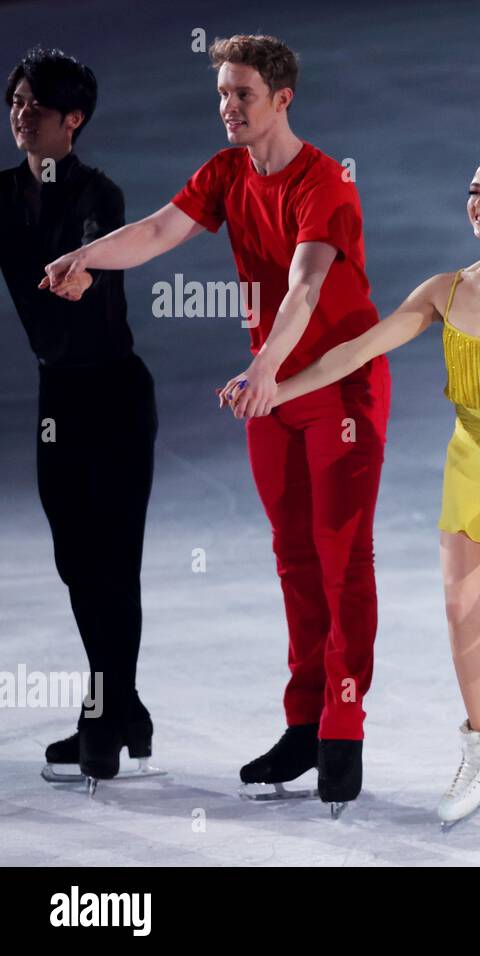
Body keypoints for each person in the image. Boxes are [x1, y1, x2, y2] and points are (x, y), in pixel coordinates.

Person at [43, 34, 390, 815]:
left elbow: (305, 286)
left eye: (243, 95)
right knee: (294, 558)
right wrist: (87, 255)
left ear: (282, 99)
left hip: (337, 388)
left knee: (343, 558)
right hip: (267, 390)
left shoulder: (324, 181)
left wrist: (267, 367)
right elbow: (163, 229)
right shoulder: (227, 172)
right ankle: (303, 724)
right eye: (223, 95)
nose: (229, 108)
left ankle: (344, 725)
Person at [261, 150, 480, 823]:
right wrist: (277, 387)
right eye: (474, 191)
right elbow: (358, 348)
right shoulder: (446, 288)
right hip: (472, 457)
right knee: (459, 612)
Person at [0, 47, 159, 787]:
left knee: (111, 566)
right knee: (76, 565)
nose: (20, 115)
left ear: (74, 120)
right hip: (57, 398)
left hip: (115, 397)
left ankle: (103, 720)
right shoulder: (1, 196)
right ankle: (125, 708)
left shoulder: (101, 195)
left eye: (37, 106)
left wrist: (82, 267)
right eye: (16, 101)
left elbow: (93, 263)